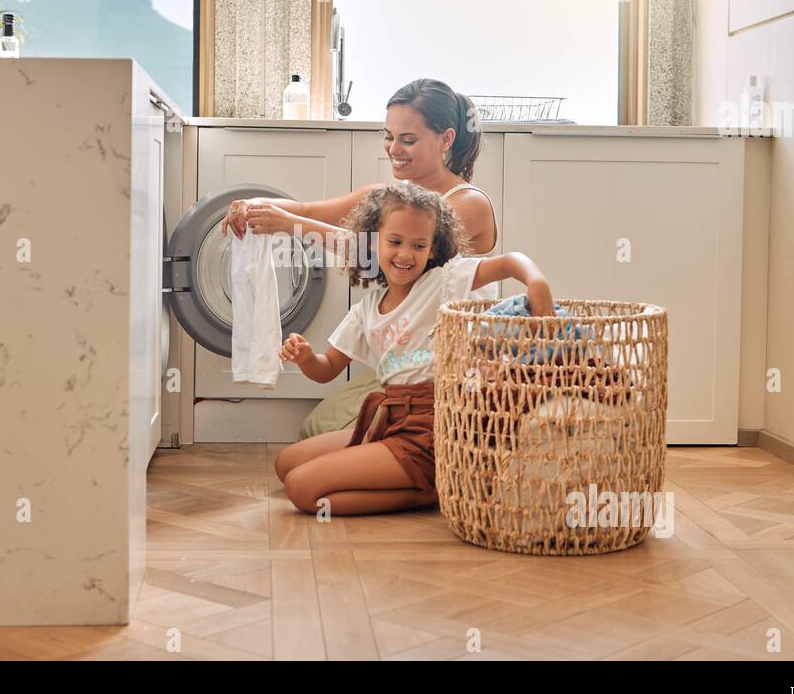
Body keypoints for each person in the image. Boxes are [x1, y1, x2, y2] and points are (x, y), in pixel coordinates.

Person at [221, 79, 499, 438]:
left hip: (453, 364)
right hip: (408, 358)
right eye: (389, 136)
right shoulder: (392, 197)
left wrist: (291, 226)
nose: (393, 149)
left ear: (446, 139)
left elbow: (373, 253)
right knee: (316, 428)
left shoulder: (468, 203)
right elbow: (309, 209)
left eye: (408, 139)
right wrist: (253, 206)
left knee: (328, 438)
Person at [272, 183, 555, 515]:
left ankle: (430, 491)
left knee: (302, 489)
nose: (405, 255)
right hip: (390, 420)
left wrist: (538, 283)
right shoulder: (367, 309)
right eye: (394, 242)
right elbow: (326, 369)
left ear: (433, 249)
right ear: (372, 241)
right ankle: (416, 478)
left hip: (434, 425)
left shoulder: (443, 282)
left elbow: (510, 262)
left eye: (418, 245)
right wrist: (306, 358)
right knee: (285, 464)